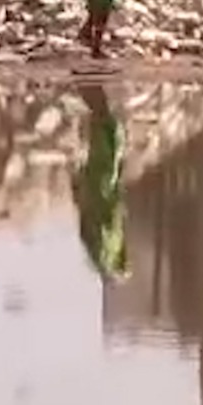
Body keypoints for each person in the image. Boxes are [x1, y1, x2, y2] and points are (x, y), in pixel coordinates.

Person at [71, 83, 129, 282]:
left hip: (102, 189)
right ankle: (89, 89)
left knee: (109, 138)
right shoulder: (102, 253)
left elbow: (108, 219)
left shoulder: (106, 252)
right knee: (108, 139)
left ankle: (88, 88)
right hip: (98, 190)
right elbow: (88, 226)